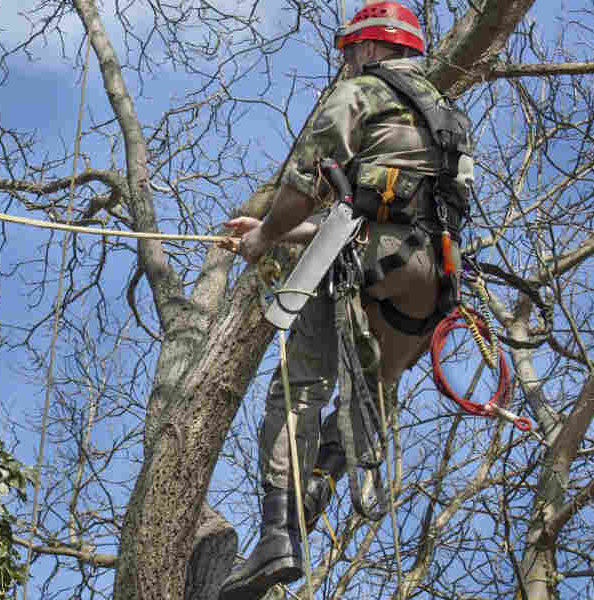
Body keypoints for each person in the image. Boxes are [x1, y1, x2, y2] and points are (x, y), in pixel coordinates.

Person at [216, 3, 474, 599]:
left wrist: (264, 236)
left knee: (298, 389)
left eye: (350, 50)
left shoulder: (360, 92)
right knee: (376, 390)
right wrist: (285, 231)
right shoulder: (448, 119)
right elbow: (383, 210)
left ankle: (278, 535)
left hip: (364, 267)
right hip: (428, 279)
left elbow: (308, 182)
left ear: (371, 47)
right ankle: (321, 483)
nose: (345, 62)